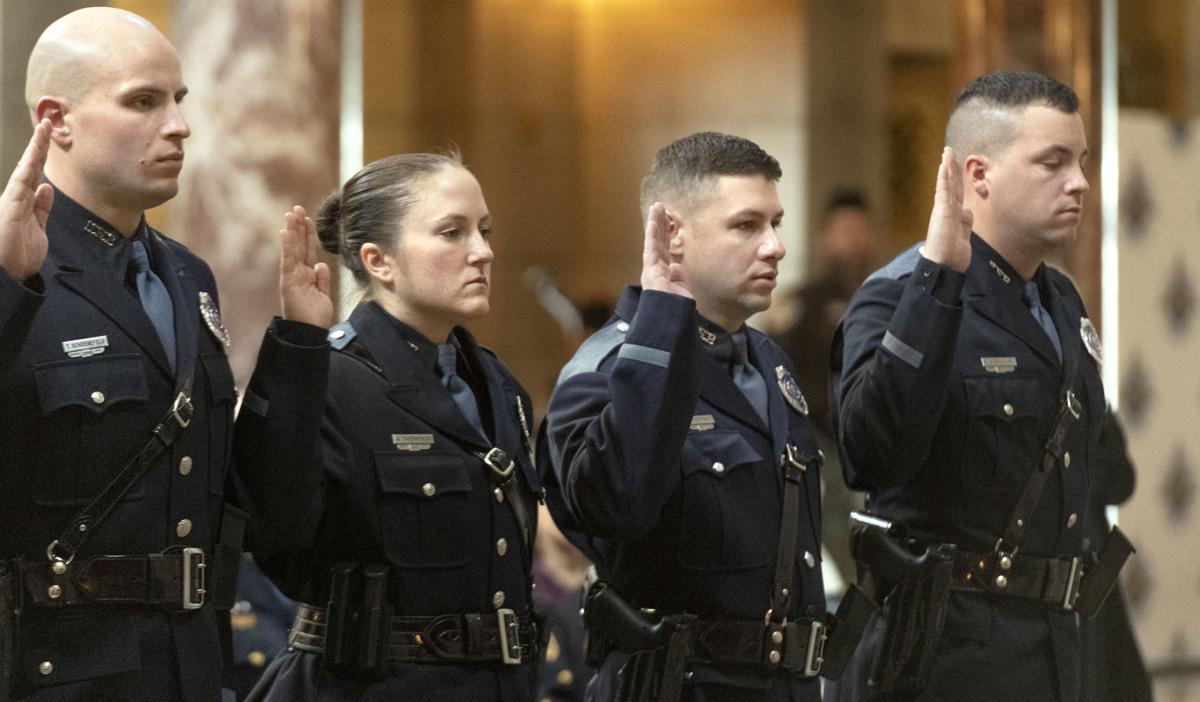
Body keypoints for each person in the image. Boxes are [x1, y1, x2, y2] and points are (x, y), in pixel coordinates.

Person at [830, 71, 1130, 701]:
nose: (1078, 182)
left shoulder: (1059, 299)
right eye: (1052, 162)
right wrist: (937, 281)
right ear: (978, 175)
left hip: (1054, 644)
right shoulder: (900, 293)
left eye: (1080, 162)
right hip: (947, 653)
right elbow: (871, 454)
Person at [542, 132, 865, 702]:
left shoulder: (769, 361)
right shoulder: (608, 367)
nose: (775, 247)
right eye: (746, 226)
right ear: (673, 235)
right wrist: (661, 318)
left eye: (776, 223)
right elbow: (618, 504)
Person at [232, 152, 543, 701]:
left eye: (484, 231)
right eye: (452, 232)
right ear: (379, 261)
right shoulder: (328, 378)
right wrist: (297, 348)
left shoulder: (497, 384)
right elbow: (277, 537)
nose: (483, 252)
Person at [0, 8, 245, 701]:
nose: (179, 124)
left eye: (178, 99)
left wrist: (301, 349)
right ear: (58, 120)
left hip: (185, 667)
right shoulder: (10, 261)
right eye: (143, 101)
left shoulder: (188, 275)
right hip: (56, 671)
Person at [770, 190, 879, 582]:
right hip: (823, 444)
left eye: (860, 229)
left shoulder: (887, 297)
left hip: (877, 444)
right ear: (825, 237)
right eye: (844, 229)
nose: (853, 239)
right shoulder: (803, 306)